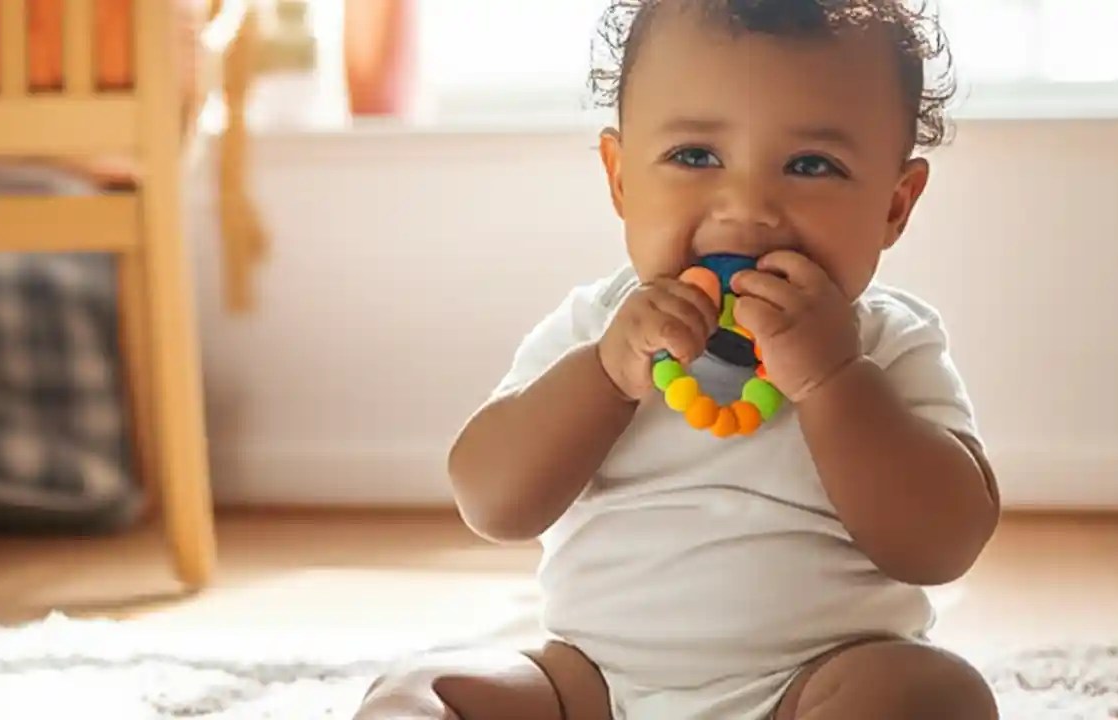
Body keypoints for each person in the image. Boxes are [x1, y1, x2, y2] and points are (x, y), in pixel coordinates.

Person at [357, 0, 1000, 717]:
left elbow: (943, 545)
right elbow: (490, 501)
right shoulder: (597, 330)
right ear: (621, 179)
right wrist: (604, 377)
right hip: (592, 688)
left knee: (937, 694)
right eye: (696, 156)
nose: (747, 208)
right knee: (419, 690)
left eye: (811, 165)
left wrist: (834, 382)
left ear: (894, 206)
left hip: (813, 687)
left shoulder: (889, 346)